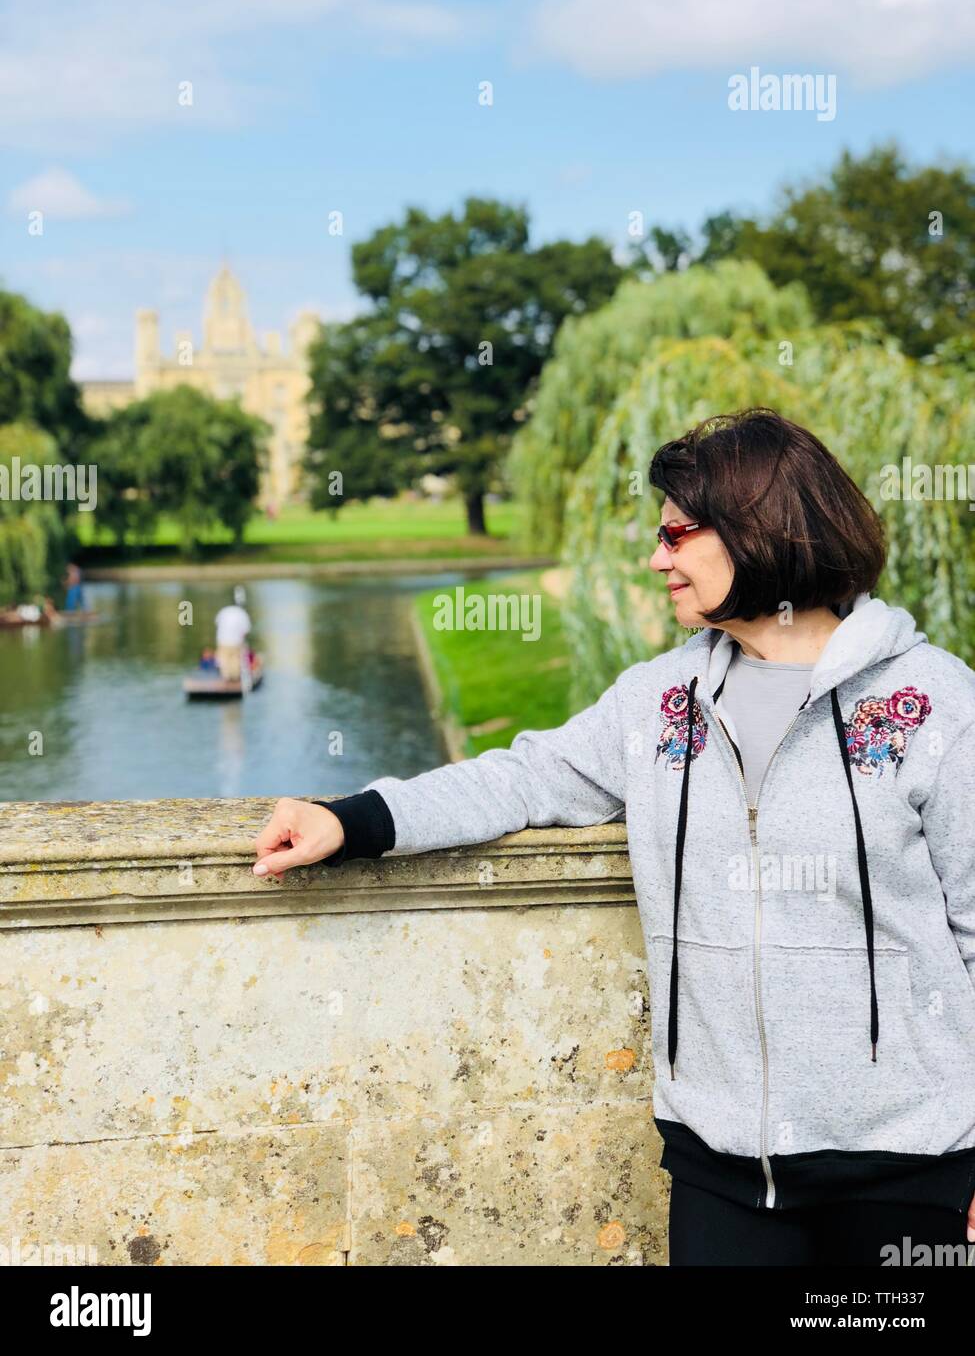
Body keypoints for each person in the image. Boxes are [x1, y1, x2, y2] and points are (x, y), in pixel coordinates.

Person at [252, 408, 975, 1267]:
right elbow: (520, 777)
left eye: (676, 534)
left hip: (909, 1168)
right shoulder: (656, 702)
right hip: (720, 1170)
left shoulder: (932, 703)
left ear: (760, 532)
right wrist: (351, 819)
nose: (655, 558)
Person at [214, 586, 251, 681]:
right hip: (236, 642)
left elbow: (217, 624)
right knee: (235, 662)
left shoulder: (224, 610)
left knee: (224, 662)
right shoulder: (242, 613)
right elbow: (246, 631)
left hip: (222, 640)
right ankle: (234, 680)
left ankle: (226, 679)